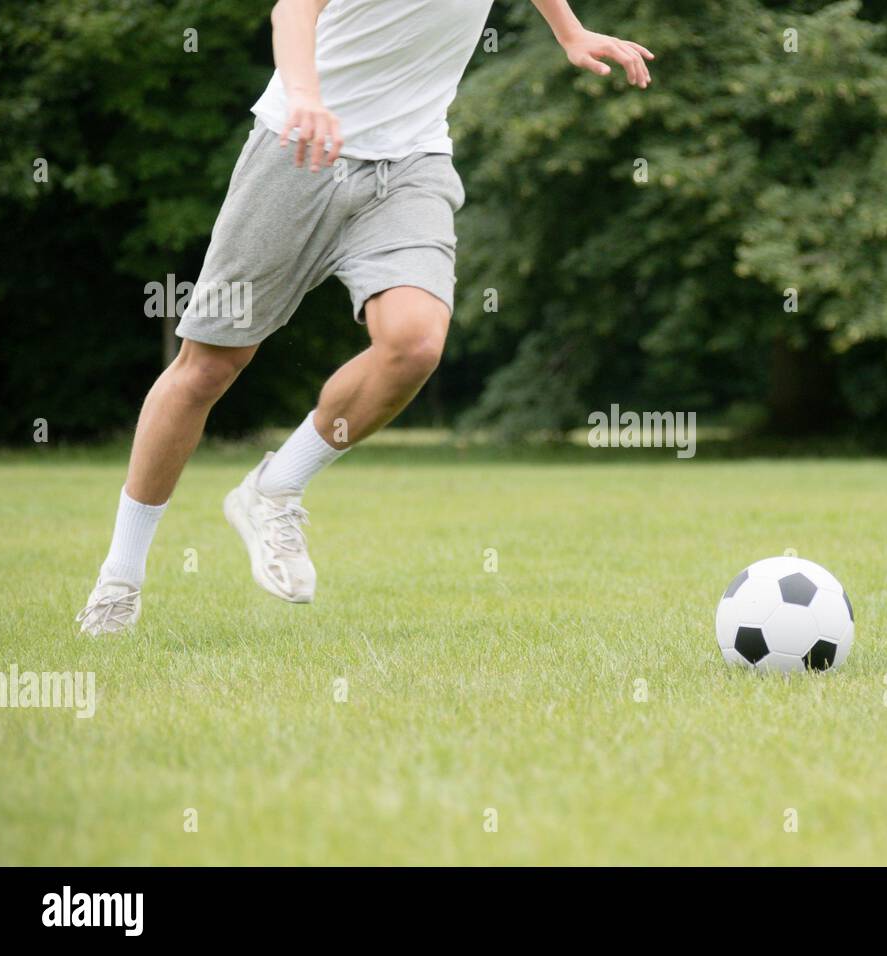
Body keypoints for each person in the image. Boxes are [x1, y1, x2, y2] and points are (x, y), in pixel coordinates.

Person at [76, 0, 654, 634]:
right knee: (209, 368)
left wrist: (568, 32)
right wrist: (304, 96)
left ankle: (275, 488)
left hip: (411, 165)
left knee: (415, 343)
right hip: (297, 153)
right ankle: (119, 579)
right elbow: (293, 10)